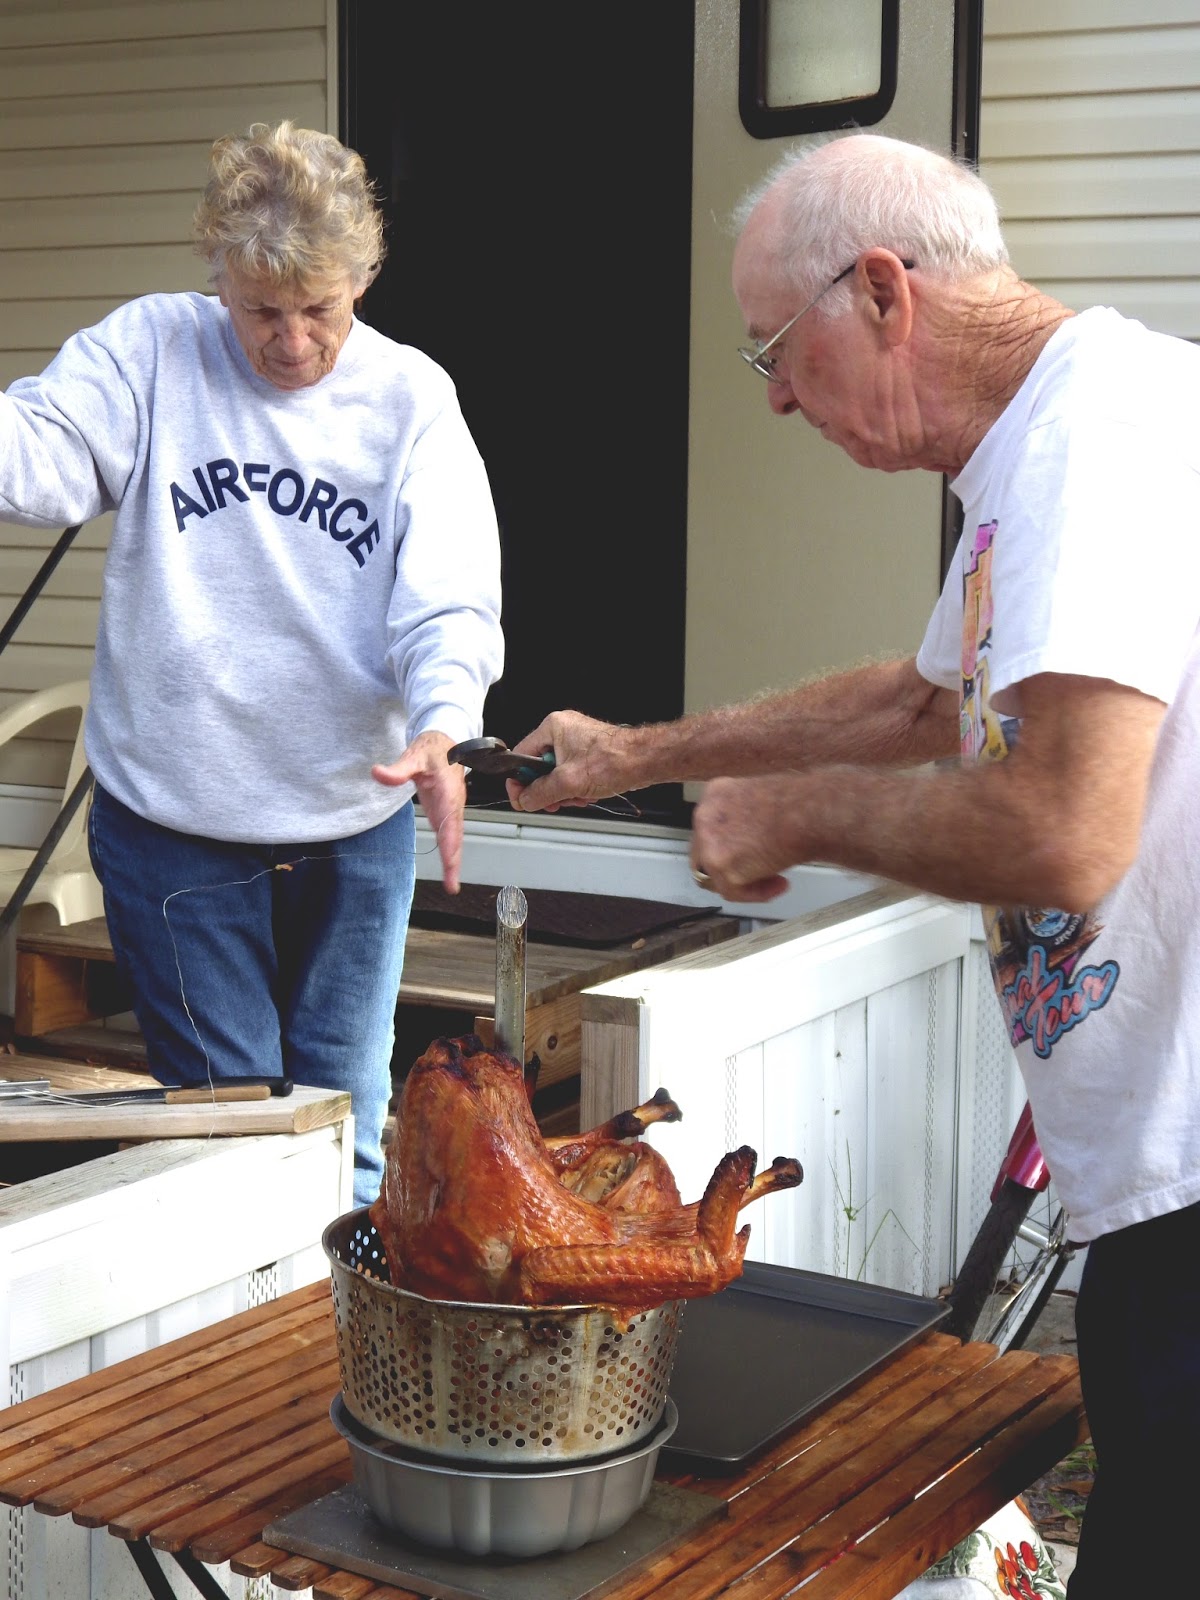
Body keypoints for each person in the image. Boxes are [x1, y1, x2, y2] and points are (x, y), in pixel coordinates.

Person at [507, 131, 1200, 1595]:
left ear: (883, 292)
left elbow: (1070, 832)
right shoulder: (1045, 442)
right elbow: (922, 700)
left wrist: (796, 817)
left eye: (777, 347)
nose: (770, 394)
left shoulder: (1100, 432)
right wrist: (642, 754)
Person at [0, 121, 503, 1207]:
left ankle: (337, 1366)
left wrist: (443, 718)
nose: (286, 342)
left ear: (364, 275)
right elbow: (40, 455)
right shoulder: (152, 351)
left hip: (351, 825)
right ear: (219, 278)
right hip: (175, 824)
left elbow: (450, 598)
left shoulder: (411, 401)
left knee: (346, 1124)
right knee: (234, 1135)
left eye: (317, 309)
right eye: (259, 310)